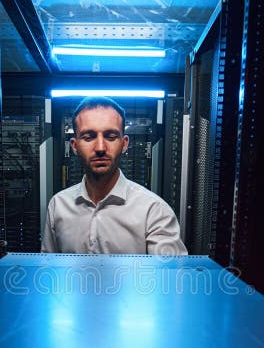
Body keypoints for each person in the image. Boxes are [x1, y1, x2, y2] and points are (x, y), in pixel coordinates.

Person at [41, 97, 187, 255]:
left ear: (124, 144)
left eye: (110, 137)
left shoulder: (154, 211)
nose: (100, 148)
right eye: (89, 137)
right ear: (74, 146)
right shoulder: (58, 206)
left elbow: (170, 276)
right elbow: (48, 270)